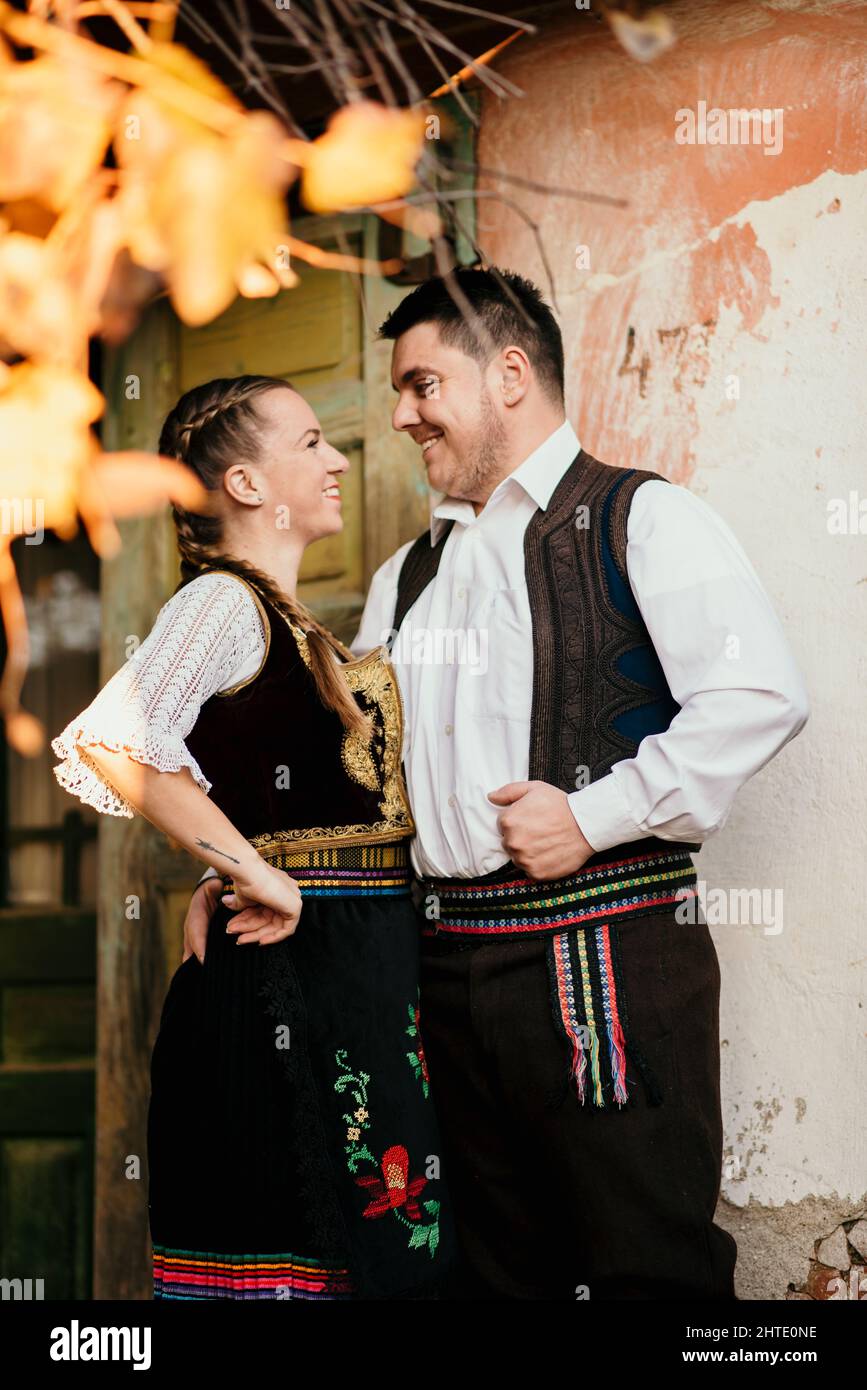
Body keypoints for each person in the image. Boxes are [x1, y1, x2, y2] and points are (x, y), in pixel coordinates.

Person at [345, 266, 809, 1299]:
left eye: (422, 384)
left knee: (648, 1268)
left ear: (510, 373)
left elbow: (759, 692)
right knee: (502, 1276)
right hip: (446, 971)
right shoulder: (402, 579)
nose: (400, 412)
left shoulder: (643, 517)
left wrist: (592, 817)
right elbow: (360, 771)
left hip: (603, 963)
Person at [52, 374, 456, 1301]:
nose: (337, 458)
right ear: (243, 484)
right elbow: (114, 740)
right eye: (310, 441)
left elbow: (250, 783)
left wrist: (236, 858)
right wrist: (249, 871)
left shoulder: (284, 617)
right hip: (280, 984)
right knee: (284, 1254)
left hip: (350, 975)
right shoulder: (222, 604)